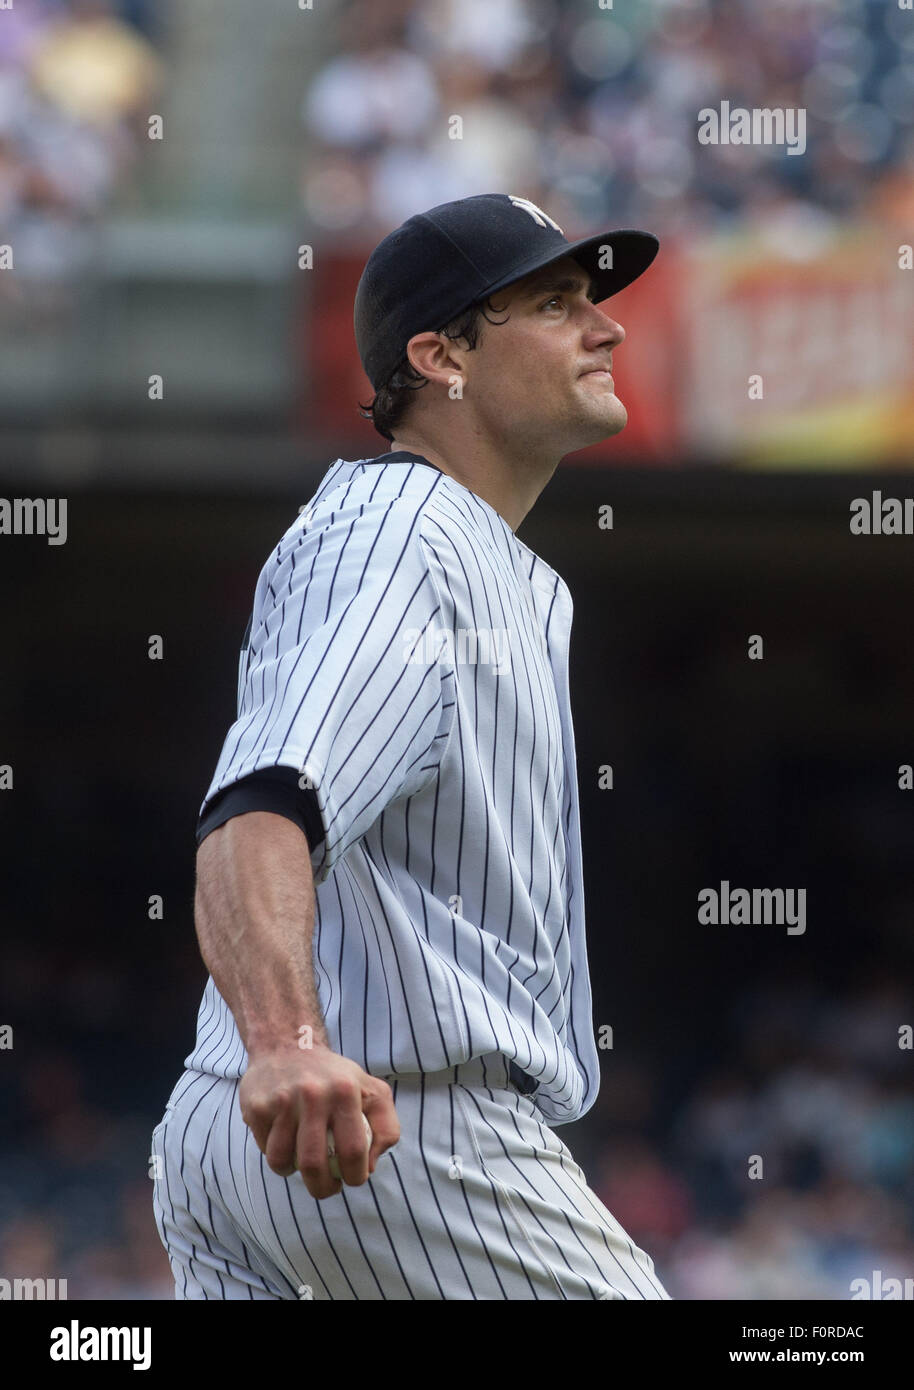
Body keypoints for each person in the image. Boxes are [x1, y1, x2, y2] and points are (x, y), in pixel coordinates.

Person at [151, 191, 670, 1300]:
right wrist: (286, 1038)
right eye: (552, 301)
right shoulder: (402, 539)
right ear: (440, 356)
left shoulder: (471, 553)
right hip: (393, 1130)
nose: (605, 326)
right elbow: (257, 808)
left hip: (268, 1126)